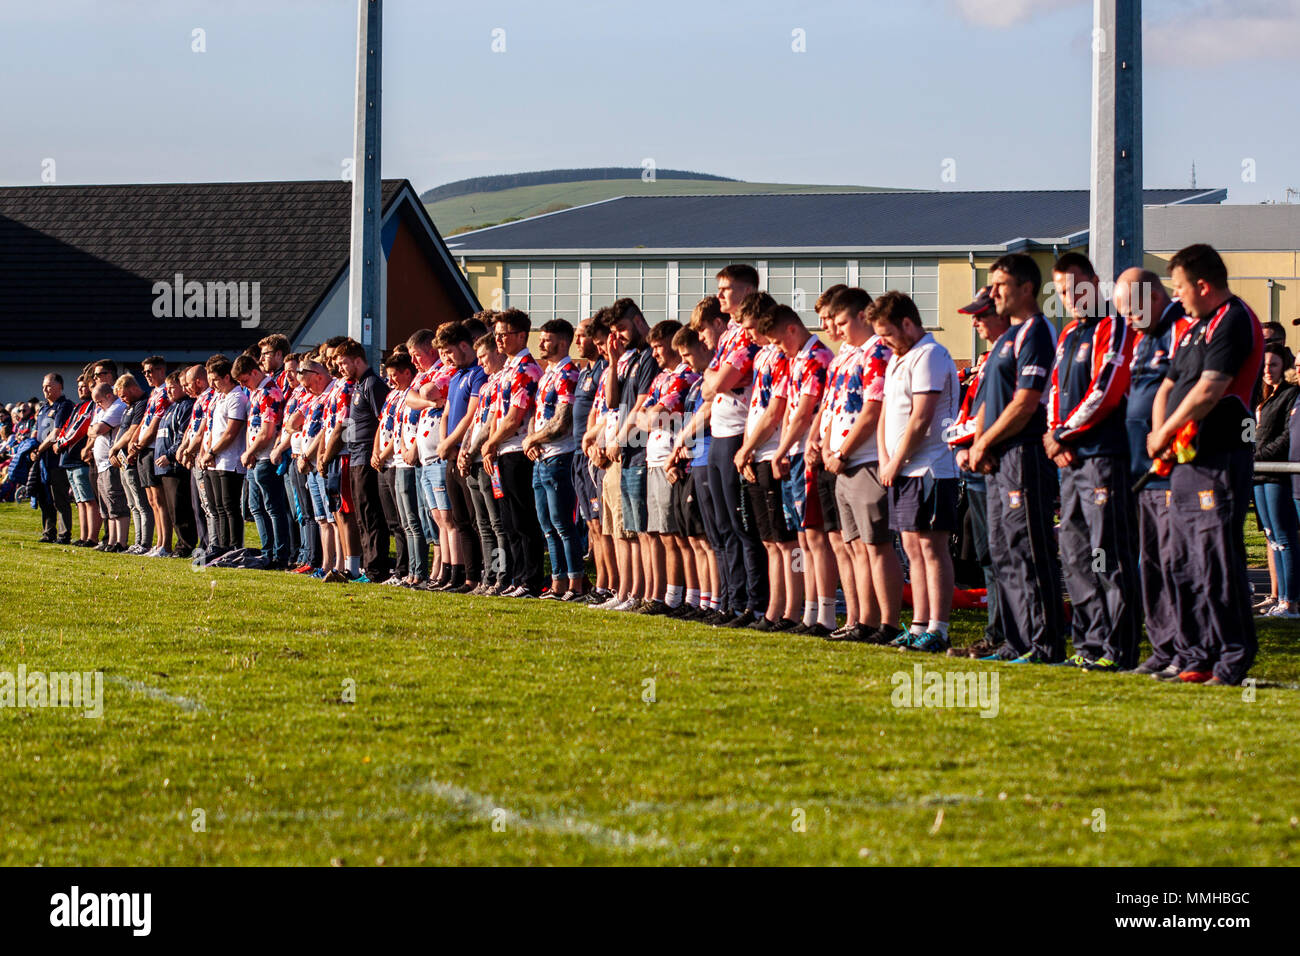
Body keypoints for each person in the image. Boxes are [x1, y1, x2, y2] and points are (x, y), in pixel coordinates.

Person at [1147, 244, 1264, 685]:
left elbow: (1209, 390)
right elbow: (1169, 387)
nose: (1176, 297)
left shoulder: (1234, 319)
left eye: (1179, 287)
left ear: (1202, 284)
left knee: (1215, 560)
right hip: (1184, 461)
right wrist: (1161, 437)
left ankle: (1230, 658)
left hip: (1219, 458)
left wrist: (1165, 432)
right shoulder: (1194, 327)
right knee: (1181, 560)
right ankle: (1194, 654)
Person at [966, 253, 1065, 664]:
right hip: (997, 457)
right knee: (1003, 551)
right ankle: (1015, 640)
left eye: (1001, 286)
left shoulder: (1037, 332)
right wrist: (981, 443)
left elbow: (1025, 402)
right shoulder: (1005, 340)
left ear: (1026, 289)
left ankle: (1044, 645)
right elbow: (991, 401)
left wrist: (985, 441)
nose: (993, 294)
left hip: (1023, 456)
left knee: (1029, 551)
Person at [1045, 252, 1140, 670]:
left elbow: (1107, 389)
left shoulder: (1114, 326)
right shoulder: (1067, 335)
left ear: (1095, 282)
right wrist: (1055, 435)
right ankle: (1088, 646)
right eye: (1061, 291)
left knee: (1108, 555)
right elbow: (1053, 391)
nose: (1068, 297)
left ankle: (1117, 650)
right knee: (1077, 554)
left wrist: (1063, 433)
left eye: (1074, 288)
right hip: (1069, 461)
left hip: (1104, 457)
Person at [1113, 268, 1195, 675]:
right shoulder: (1143, 338)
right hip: (1140, 473)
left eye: (1129, 309)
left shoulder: (1181, 328)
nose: (1125, 319)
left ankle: (1186, 650)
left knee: (1176, 563)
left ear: (1151, 297)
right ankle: (1163, 650)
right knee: (1153, 565)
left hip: (1171, 469)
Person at [871, 291, 961, 653]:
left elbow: (922, 417)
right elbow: (885, 413)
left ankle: (938, 627)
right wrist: (884, 457)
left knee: (931, 545)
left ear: (908, 324)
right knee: (910, 545)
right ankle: (920, 622)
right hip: (902, 469)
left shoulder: (930, 355)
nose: (885, 342)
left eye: (888, 333)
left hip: (930, 467)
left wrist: (898, 459)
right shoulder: (897, 359)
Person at [824, 286, 904, 645]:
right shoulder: (847, 355)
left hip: (867, 458)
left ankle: (887, 622)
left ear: (861, 316)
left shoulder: (876, 353)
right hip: (843, 461)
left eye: (842, 322)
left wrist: (841, 452)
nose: (836, 329)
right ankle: (862, 619)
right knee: (855, 545)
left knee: (876, 544)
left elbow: (871, 411)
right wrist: (828, 448)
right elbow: (833, 408)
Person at [763, 303, 838, 636]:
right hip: (793, 453)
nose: (779, 349)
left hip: (806, 454)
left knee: (814, 536)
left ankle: (825, 613)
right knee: (802, 538)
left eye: (779, 341)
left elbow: (806, 412)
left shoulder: (816, 358)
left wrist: (780, 449)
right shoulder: (796, 359)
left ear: (791, 329)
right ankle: (809, 611)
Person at [943, 288, 1008, 658]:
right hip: (974, 462)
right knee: (987, 554)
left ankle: (1018, 635)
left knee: (1007, 554)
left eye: (982, 314)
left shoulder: (1016, 347)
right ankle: (996, 632)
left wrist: (974, 444)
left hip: (1000, 463)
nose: (975, 322)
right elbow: (969, 409)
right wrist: (958, 441)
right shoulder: (986, 358)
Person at [702, 266, 764, 625]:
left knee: (743, 527)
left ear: (749, 290)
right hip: (721, 431)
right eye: (719, 289)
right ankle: (728, 598)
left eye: (728, 289)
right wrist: (716, 378)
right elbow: (711, 383)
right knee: (722, 526)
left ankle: (750, 603)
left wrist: (716, 378)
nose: (721, 295)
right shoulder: (728, 335)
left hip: (739, 432)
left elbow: (717, 381)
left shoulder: (746, 336)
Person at [733, 293, 798, 631]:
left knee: (788, 541)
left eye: (750, 328)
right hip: (758, 452)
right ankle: (774, 610)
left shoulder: (782, 356)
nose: (747, 336)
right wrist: (747, 447)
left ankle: (793, 609)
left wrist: (749, 448)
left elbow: (777, 410)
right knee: (770, 540)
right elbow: (755, 409)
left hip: (774, 453)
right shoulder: (763, 357)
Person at [481, 309, 546, 597]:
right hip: (501, 450)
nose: (498, 339)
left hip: (518, 450)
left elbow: (515, 416)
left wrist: (491, 442)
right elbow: (496, 413)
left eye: (503, 334)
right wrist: (490, 445)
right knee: (508, 520)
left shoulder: (526, 370)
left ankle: (531, 579)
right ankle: (518, 577)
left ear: (521, 335)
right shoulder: (506, 370)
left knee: (523, 518)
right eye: (496, 334)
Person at [637, 319, 698, 615]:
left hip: (670, 459)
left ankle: (676, 597)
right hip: (654, 457)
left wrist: (651, 416)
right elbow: (639, 418)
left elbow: (653, 417)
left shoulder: (684, 375)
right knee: (659, 532)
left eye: (659, 347)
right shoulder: (661, 378)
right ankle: (663, 594)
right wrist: (650, 416)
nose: (655, 354)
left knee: (674, 534)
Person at [606, 298, 661, 611]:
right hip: (628, 454)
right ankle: (633, 594)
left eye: (623, 329)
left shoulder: (651, 357)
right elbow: (613, 402)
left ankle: (647, 594)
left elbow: (641, 404)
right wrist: (613, 361)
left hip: (640, 452)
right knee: (633, 529)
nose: (620, 337)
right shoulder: (630, 358)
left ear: (639, 321)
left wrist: (619, 437)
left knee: (645, 530)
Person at [524, 318, 585, 601]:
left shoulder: (568, 374)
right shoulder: (548, 374)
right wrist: (532, 441)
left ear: (562, 342)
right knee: (547, 525)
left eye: (546, 339)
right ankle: (557, 582)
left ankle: (576, 583)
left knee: (563, 525)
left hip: (560, 457)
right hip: (541, 457)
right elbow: (539, 416)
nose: (540, 343)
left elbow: (562, 421)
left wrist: (533, 439)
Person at [437, 321, 490, 592]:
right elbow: (447, 411)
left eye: (449, 351)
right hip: (451, 454)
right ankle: (469, 577)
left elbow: (472, 414)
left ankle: (485, 573)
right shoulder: (455, 375)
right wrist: (443, 442)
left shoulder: (478, 373)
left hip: (467, 454)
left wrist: (451, 442)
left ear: (464, 345)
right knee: (460, 520)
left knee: (476, 518)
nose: (446, 358)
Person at [1250, 342, 1299, 617]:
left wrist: (1260, 455)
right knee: (1271, 537)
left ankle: (1291, 601)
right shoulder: (1261, 395)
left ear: (1284, 367)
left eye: (1274, 365)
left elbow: (1286, 436)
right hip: (1257, 472)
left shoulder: (1290, 395)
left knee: (1284, 536)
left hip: (1276, 473)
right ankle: (1280, 599)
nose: (1268, 370)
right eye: (1265, 365)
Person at [336, 339, 391, 582]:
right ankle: (367, 568)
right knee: (361, 515)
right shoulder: (357, 386)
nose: (340, 368)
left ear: (357, 360)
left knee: (371, 514)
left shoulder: (372, 384)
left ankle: (377, 569)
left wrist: (376, 452)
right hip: (355, 456)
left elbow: (385, 421)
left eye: (343, 363)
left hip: (368, 457)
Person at [460, 333, 509, 595]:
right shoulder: (488, 384)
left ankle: (503, 574)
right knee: (483, 524)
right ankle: (489, 576)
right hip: (474, 460)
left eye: (483, 357)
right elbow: (475, 420)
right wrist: (465, 449)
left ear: (497, 353)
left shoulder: (503, 381)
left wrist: (472, 450)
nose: (480, 363)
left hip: (490, 459)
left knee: (497, 522)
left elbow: (491, 422)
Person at [234, 354, 290, 568]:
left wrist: (251, 451)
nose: (242, 385)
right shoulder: (257, 392)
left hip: (265, 456)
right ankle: (267, 551)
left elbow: (267, 432)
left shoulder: (269, 392)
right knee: (256, 506)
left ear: (254, 372)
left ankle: (279, 554)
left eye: (244, 380)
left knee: (273, 507)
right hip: (256, 456)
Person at [573, 315, 613, 603]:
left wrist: (595, 443)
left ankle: (610, 584)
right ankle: (602, 584)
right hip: (580, 454)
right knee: (592, 525)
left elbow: (609, 411)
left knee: (603, 525)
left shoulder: (605, 370)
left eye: (582, 336)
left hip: (597, 455)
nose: (579, 341)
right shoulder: (587, 372)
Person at [199, 354, 250, 557]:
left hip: (230, 461)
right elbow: (212, 428)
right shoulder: (220, 397)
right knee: (217, 506)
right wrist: (206, 452)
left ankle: (234, 546)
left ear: (227, 377)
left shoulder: (237, 397)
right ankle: (221, 544)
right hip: (214, 460)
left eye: (216, 380)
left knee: (229, 506)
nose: (213, 385)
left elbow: (231, 431)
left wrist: (213, 451)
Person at [130, 356, 171, 557]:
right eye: (144, 372)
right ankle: (158, 542)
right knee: (151, 499)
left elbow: (155, 423)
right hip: (143, 448)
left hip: (153, 448)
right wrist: (134, 441)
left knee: (159, 499)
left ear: (161, 371)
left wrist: (140, 444)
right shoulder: (153, 393)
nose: (147, 375)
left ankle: (165, 544)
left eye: (150, 371)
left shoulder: (165, 392)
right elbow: (145, 419)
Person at [153, 370, 197, 557]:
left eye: (173, 387)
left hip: (176, 466)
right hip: (164, 467)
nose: (169, 391)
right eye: (168, 388)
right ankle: (180, 543)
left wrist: (170, 456)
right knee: (173, 509)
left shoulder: (187, 406)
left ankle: (185, 545)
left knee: (181, 507)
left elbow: (182, 435)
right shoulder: (170, 408)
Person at [53, 375, 98, 546]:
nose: (80, 389)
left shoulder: (91, 406)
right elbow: (67, 427)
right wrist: (59, 441)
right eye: (79, 386)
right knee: (79, 501)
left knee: (88, 500)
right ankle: (83, 535)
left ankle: (92, 537)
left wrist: (62, 443)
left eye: (84, 386)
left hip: (79, 459)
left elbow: (79, 429)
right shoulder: (77, 406)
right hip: (69, 459)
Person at [30, 373, 74, 544]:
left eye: (49, 385)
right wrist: (33, 449)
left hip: (56, 460)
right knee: (44, 498)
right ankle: (49, 532)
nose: (45, 389)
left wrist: (40, 449)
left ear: (59, 386)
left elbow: (56, 433)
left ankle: (64, 534)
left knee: (59, 497)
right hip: (42, 460)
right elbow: (36, 431)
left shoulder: (64, 405)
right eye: (43, 386)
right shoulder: (43, 408)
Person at [87, 383, 129, 552]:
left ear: (109, 396)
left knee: (116, 502)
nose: (97, 405)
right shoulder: (103, 410)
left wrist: (95, 430)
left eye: (99, 401)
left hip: (112, 463)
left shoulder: (117, 407)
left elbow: (98, 428)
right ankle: (111, 540)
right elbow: (90, 430)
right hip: (101, 464)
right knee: (106, 506)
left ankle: (121, 541)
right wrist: (94, 430)